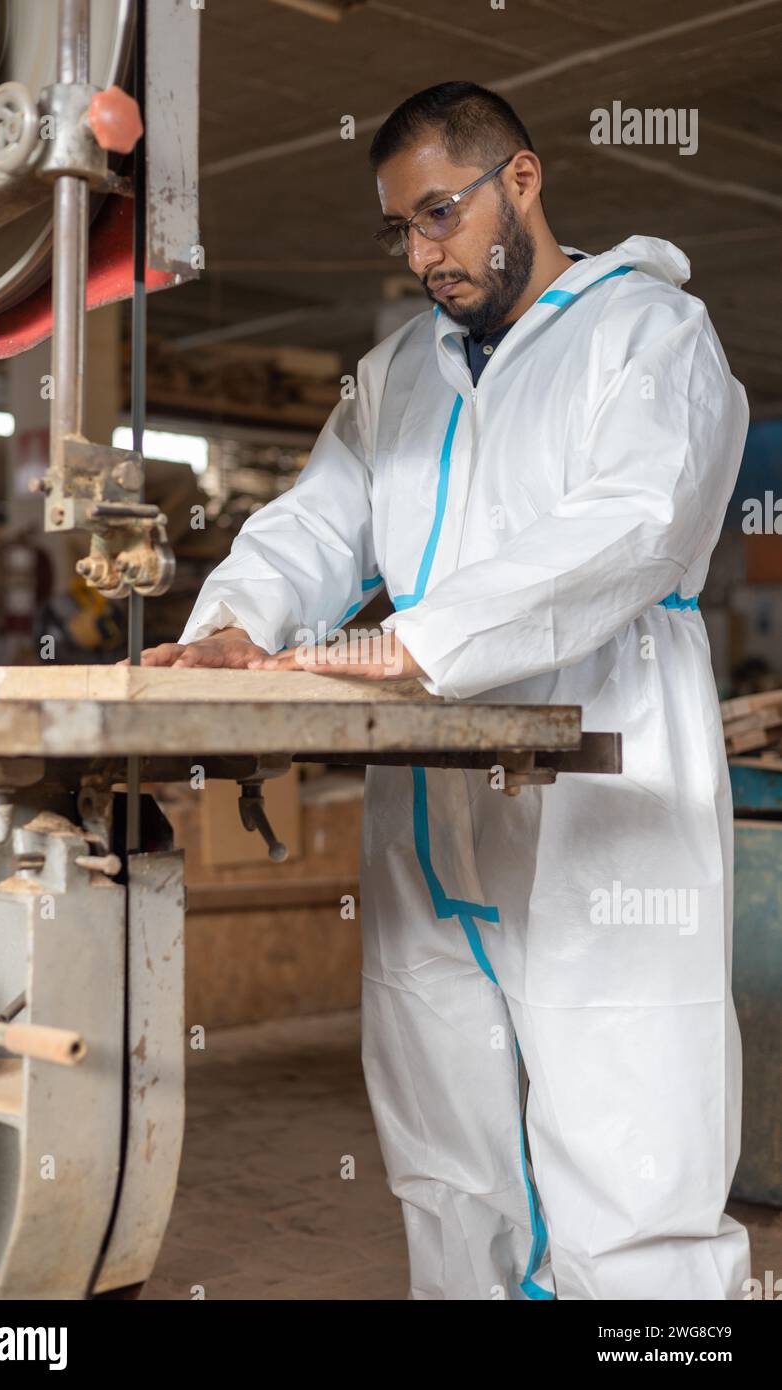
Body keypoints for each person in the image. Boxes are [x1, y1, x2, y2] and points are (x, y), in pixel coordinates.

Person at [142, 82, 751, 1300]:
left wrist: (416, 643)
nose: (421, 254)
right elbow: (311, 525)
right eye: (398, 231)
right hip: (426, 780)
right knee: (442, 1129)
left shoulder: (648, 334)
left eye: (438, 215)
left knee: (625, 1110)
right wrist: (231, 629)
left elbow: (630, 526)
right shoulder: (395, 372)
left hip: (604, 752)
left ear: (519, 182)